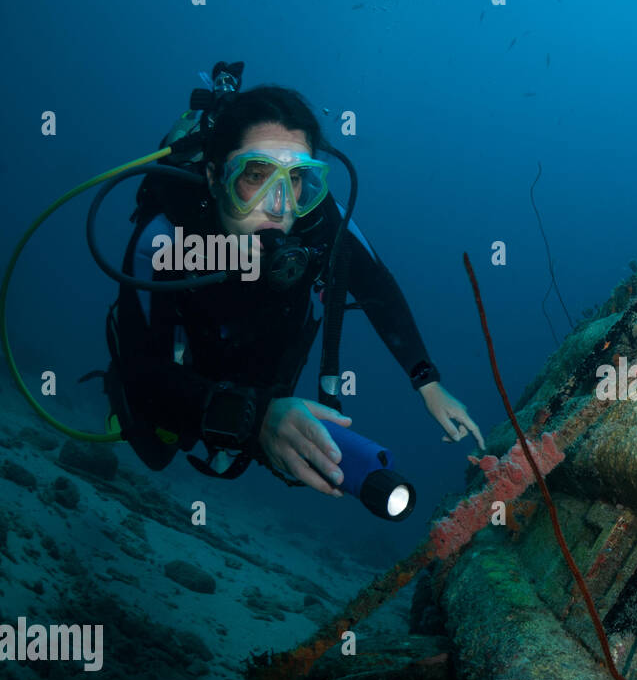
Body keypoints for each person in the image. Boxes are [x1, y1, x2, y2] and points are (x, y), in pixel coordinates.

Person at [110, 84, 483, 496]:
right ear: (216, 177)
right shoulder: (165, 235)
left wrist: (426, 380)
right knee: (155, 444)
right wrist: (254, 419)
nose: (281, 205)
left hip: (261, 363)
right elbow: (140, 369)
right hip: (180, 365)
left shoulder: (319, 219)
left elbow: (377, 286)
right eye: (256, 175)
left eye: (297, 178)